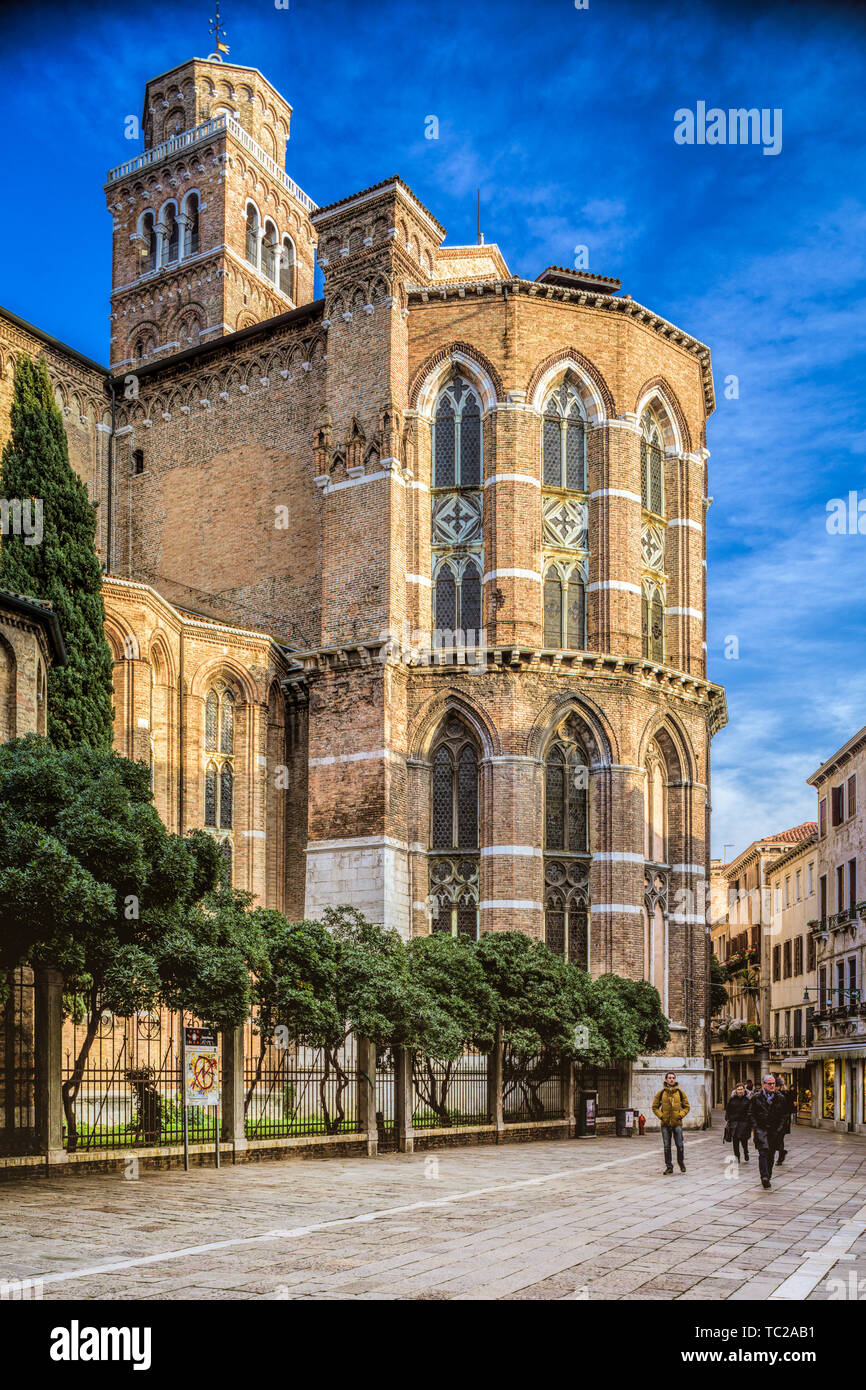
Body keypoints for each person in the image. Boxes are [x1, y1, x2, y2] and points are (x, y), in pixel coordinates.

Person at [750, 1073, 788, 1189]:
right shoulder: (756, 1097)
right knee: (763, 1152)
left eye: (773, 1084)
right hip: (761, 1129)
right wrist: (755, 1127)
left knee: (771, 1154)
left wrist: (779, 1128)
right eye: (770, 1084)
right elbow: (751, 1113)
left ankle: (768, 1175)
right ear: (764, 1084)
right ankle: (764, 1176)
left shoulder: (780, 1097)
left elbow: (784, 1115)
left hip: (774, 1130)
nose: (772, 1086)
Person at [652, 1071, 690, 1174]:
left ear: (675, 1079)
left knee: (680, 1145)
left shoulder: (680, 1093)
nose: (671, 1079)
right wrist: (661, 1116)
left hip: (677, 1123)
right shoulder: (661, 1093)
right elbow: (654, 1107)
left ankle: (681, 1162)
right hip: (665, 1124)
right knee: (666, 1146)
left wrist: (680, 1115)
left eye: (673, 1078)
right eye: (669, 1078)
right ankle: (669, 1166)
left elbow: (687, 1107)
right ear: (666, 1079)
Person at [725, 1082, 752, 1162]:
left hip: (744, 1123)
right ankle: (737, 1157)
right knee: (735, 1141)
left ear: (744, 1090)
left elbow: (750, 1110)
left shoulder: (747, 1099)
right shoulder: (732, 1099)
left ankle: (746, 1151)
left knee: (744, 1140)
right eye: (738, 1089)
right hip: (734, 1123)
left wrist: (748, 1120)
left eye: (741, 1089)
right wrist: (728, 1118)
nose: (740, 1091)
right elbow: (728, 1109)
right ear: (736, 1090)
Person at [773, 1075, 795, 1164]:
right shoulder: (773, 1094)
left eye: (775, 1086)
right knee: (776, 1139)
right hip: (775, 1121)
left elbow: (789, 1109)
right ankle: (782, 1152)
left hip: (783, 1120)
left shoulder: (785, 1095)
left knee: (779, 1138)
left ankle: (780, 1157)